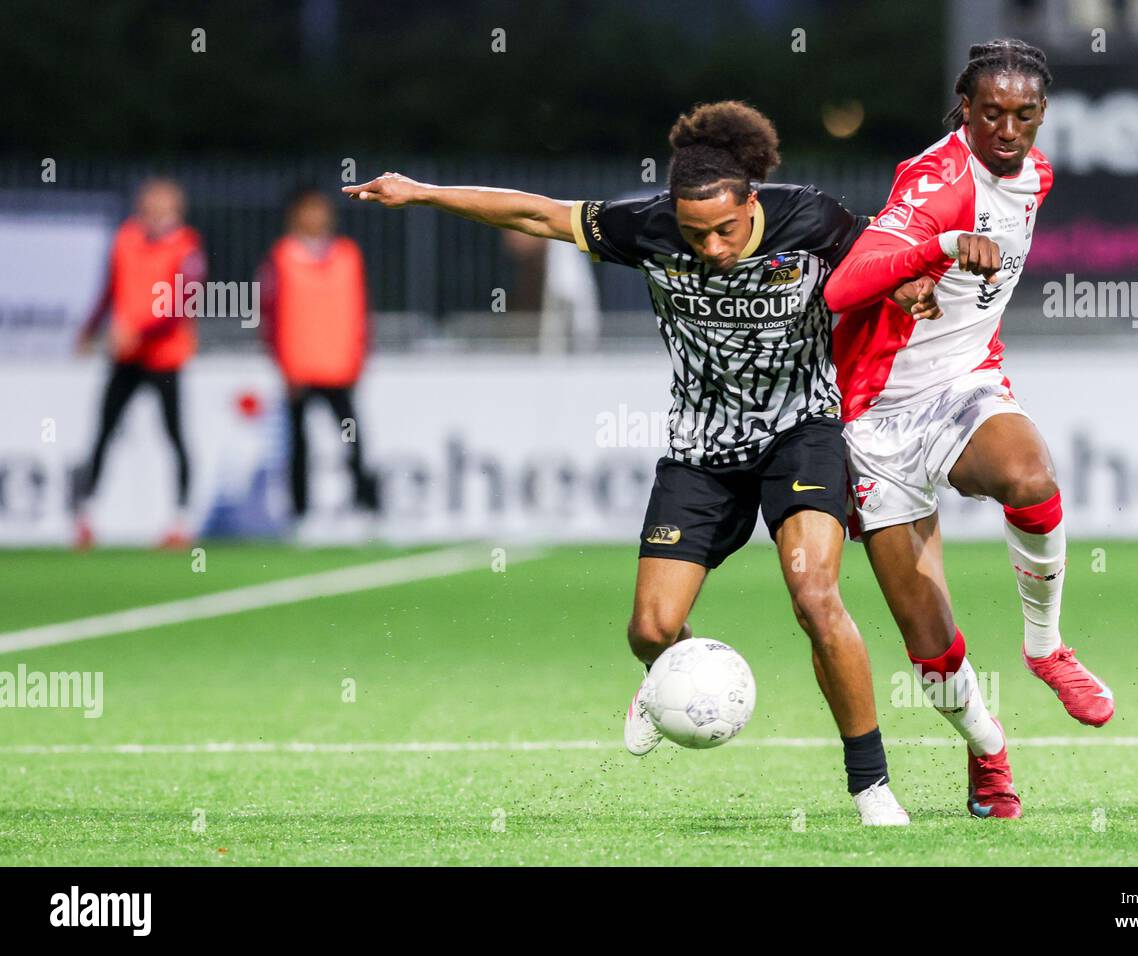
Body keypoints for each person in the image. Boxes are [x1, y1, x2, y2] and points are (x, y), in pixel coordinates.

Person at [345, 101, 937, 825]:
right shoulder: (648, 228)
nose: (711, 246)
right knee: (651, 632)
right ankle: (672, 680)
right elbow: (535, 214)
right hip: (700, 449)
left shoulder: (811, 218)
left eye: (724, 229)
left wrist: (910, 284)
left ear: (752, 198)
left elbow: (885, 261)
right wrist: (428, 193)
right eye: (696, 234)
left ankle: (871, 786)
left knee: (814, 595)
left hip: (801, 432)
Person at [824, 39, 1114, 820]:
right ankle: (987, 749)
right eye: (991, 113)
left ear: (1043, 114)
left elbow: (946, 288)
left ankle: (1047, 647)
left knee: (1031, 478)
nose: (1008, 130)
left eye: (1024, 114)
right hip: (875, 416)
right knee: (928, 638)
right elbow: (844, 287)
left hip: (964, 386)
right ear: (966, 109)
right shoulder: (938, 181)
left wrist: (924, 285)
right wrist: (939, 248)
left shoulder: (1038, 176)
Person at [74, 178, 203, 549]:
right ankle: (87, 516)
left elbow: (182, 305)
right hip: (125, 356)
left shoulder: (187, 246)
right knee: (104, 431)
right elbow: (110, 288)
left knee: (174, 435)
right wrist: (90, 328)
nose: (155, 207)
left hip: (164, 358)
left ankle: (180, 520)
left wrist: (138, 333)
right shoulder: (126, 238)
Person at [257, 188, 380, 527]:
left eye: (321, 210)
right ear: (295, 215)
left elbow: (361, 311)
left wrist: (360, 357)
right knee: (298, 444)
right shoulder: (281, 256)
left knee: (354, 439)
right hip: (299, 370)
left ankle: (366, 509)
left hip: (340, 368)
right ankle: (300, 516)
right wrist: (283, 364)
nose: (316, 217)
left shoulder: (347, 254)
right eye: (309, 210)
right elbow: (268, 316)